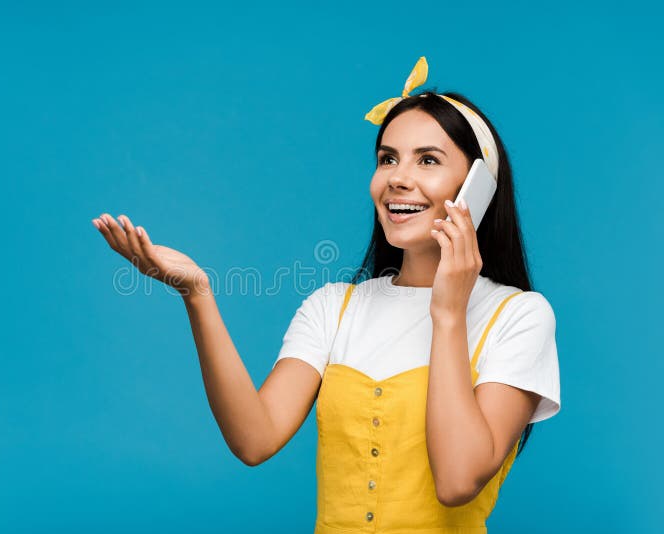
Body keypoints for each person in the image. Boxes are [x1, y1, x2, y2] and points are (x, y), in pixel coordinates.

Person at [90, 56, 561, 533]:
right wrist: (197, 293)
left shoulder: (519, 316)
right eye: (387, 159)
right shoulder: (333, 307)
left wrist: (449, 311)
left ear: (477, 187)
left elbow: (458, 481)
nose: (398, 177)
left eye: (428, 160)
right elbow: (254, 439)